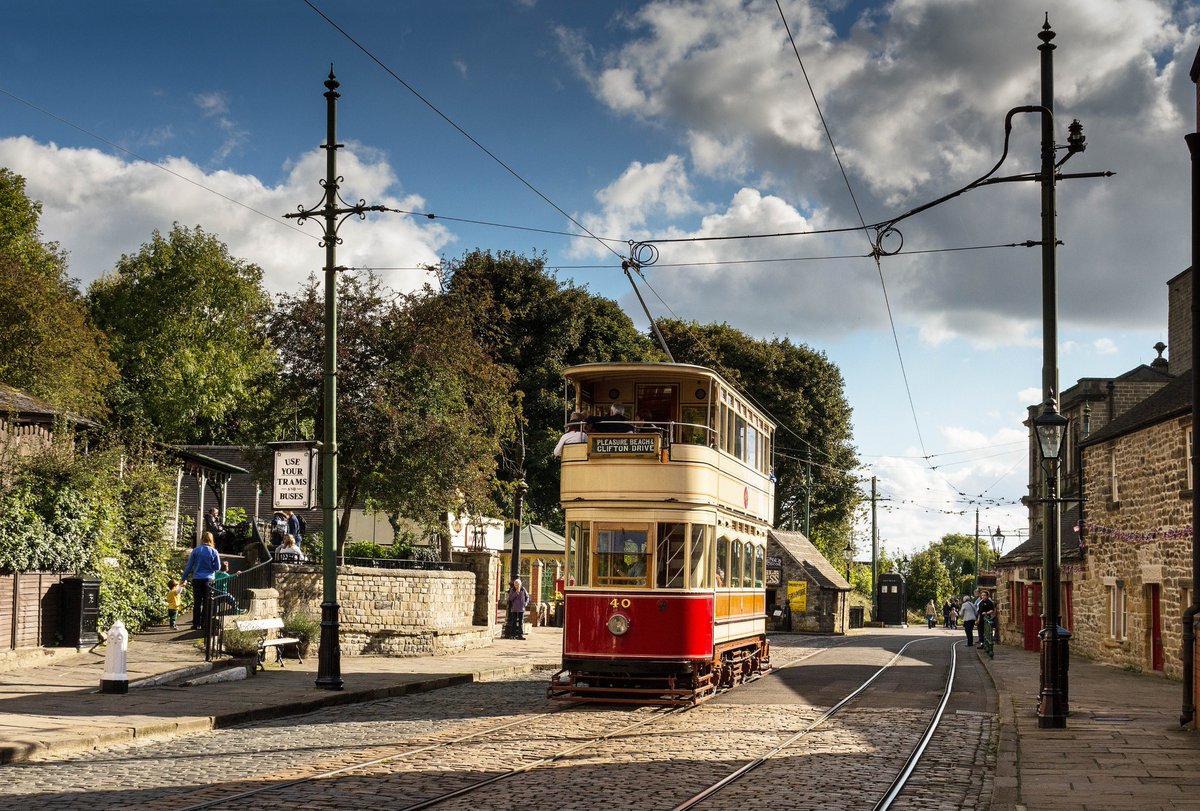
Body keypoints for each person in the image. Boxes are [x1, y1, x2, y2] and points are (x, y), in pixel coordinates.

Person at [182, 532, 221, 631]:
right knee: (207, 602)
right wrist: (210, 567)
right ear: (211, 540)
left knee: (197, 602)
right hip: (209, 579)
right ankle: (204, 623)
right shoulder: (214, 551)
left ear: (202, 539)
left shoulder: (196, 550)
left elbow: (189, 566)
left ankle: (196, 624)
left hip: (197, 579)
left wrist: (183, 578)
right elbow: (218, 567)